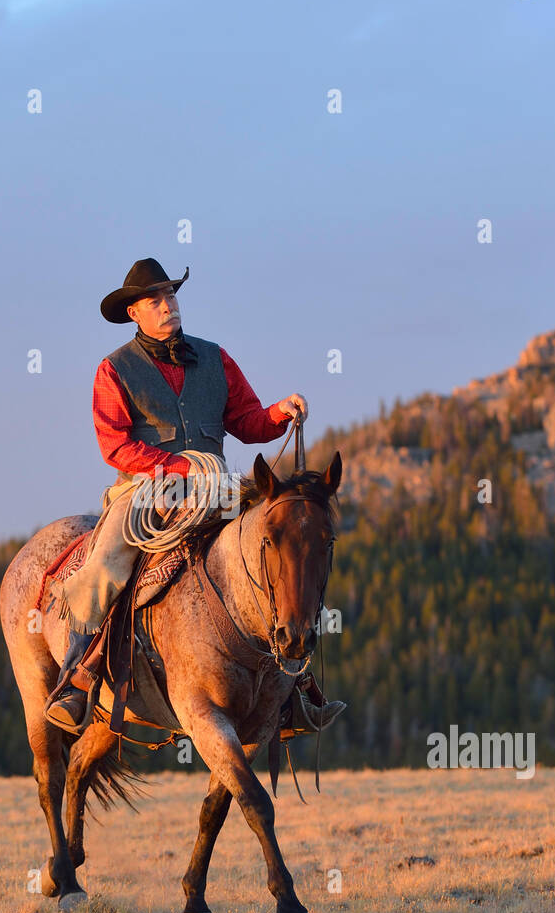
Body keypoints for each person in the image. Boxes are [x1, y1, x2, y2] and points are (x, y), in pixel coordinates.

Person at [44, 257, 343, 734]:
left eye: (171, 297)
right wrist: (173, 465)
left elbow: (246, 422)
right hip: (145, 491)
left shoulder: (215, 358)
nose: (167, 307)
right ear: (134, 314)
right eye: (155, 301)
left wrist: (279, 412)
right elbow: (114, 444)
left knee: (268, 553)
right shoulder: (114, 370)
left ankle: (291, 688)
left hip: (216, 488)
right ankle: (77, 678)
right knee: (107, 562)